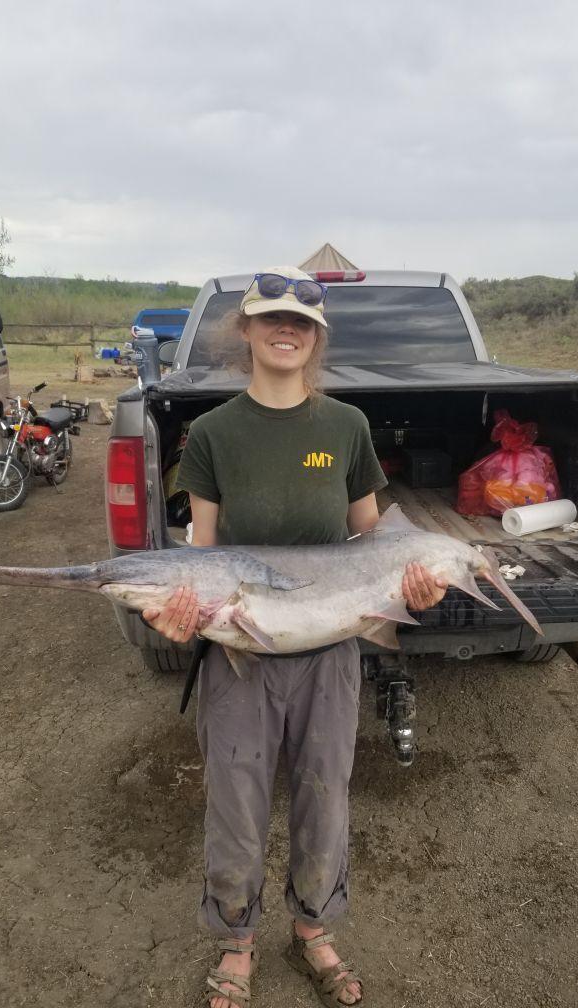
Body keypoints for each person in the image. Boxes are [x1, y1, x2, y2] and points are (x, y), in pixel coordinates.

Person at [141, 267, 447, 1008]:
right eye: (272, 318)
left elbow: (373, 539)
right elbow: (204, 551)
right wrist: (172, 612)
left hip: (330, 654)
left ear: (316, 339)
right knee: (236, 804)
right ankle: (237, 938)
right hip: (238, 657)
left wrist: (416, 584)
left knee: (324, 798)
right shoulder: (211, 434)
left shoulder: (345, 427)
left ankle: (313, 929)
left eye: (303, 323)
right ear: (244, 330)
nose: (288, 330)